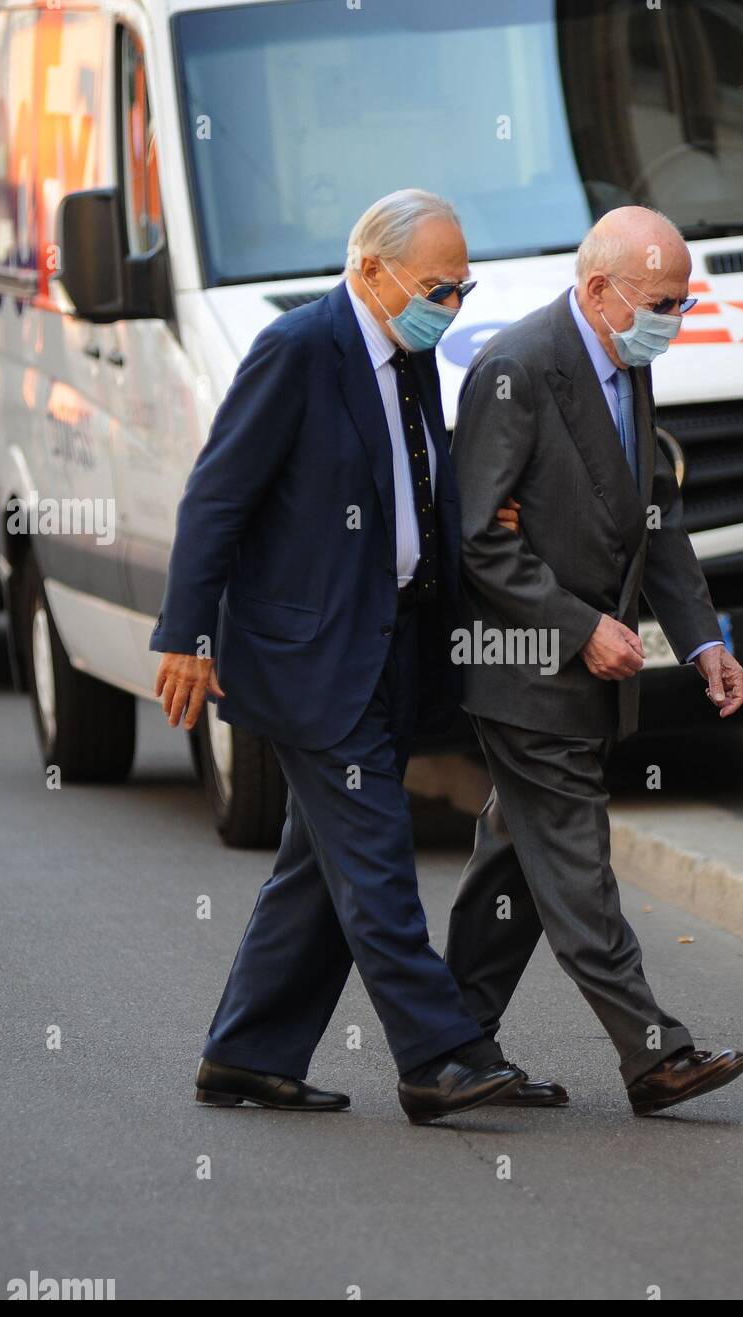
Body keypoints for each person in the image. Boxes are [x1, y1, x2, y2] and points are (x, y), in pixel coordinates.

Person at [150, 189, 526, 1124]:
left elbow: (417, 482)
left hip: (391, 647)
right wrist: (187, 635)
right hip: (310, 658)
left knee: (318, 870)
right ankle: (437, 1057)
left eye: (462, 286)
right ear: (370, 270)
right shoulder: (297, 350)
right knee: (375, 859)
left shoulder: (411, 358)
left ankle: (246, 1053)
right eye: (439, 285)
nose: (452, 302)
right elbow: (215, 500)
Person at [444, 205, 743, 1117]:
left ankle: (448, 1048)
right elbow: (478, 540)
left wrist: (702, 640)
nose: (675, 318)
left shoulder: (629, 361)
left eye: (684, 302)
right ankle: (656, 1056)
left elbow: (653, 518)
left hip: (580, 674)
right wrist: (580, 626)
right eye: (663, 301)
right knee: (576, 864)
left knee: (516, 863)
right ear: (597, 290)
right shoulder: (519, 368)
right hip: (527, 667)